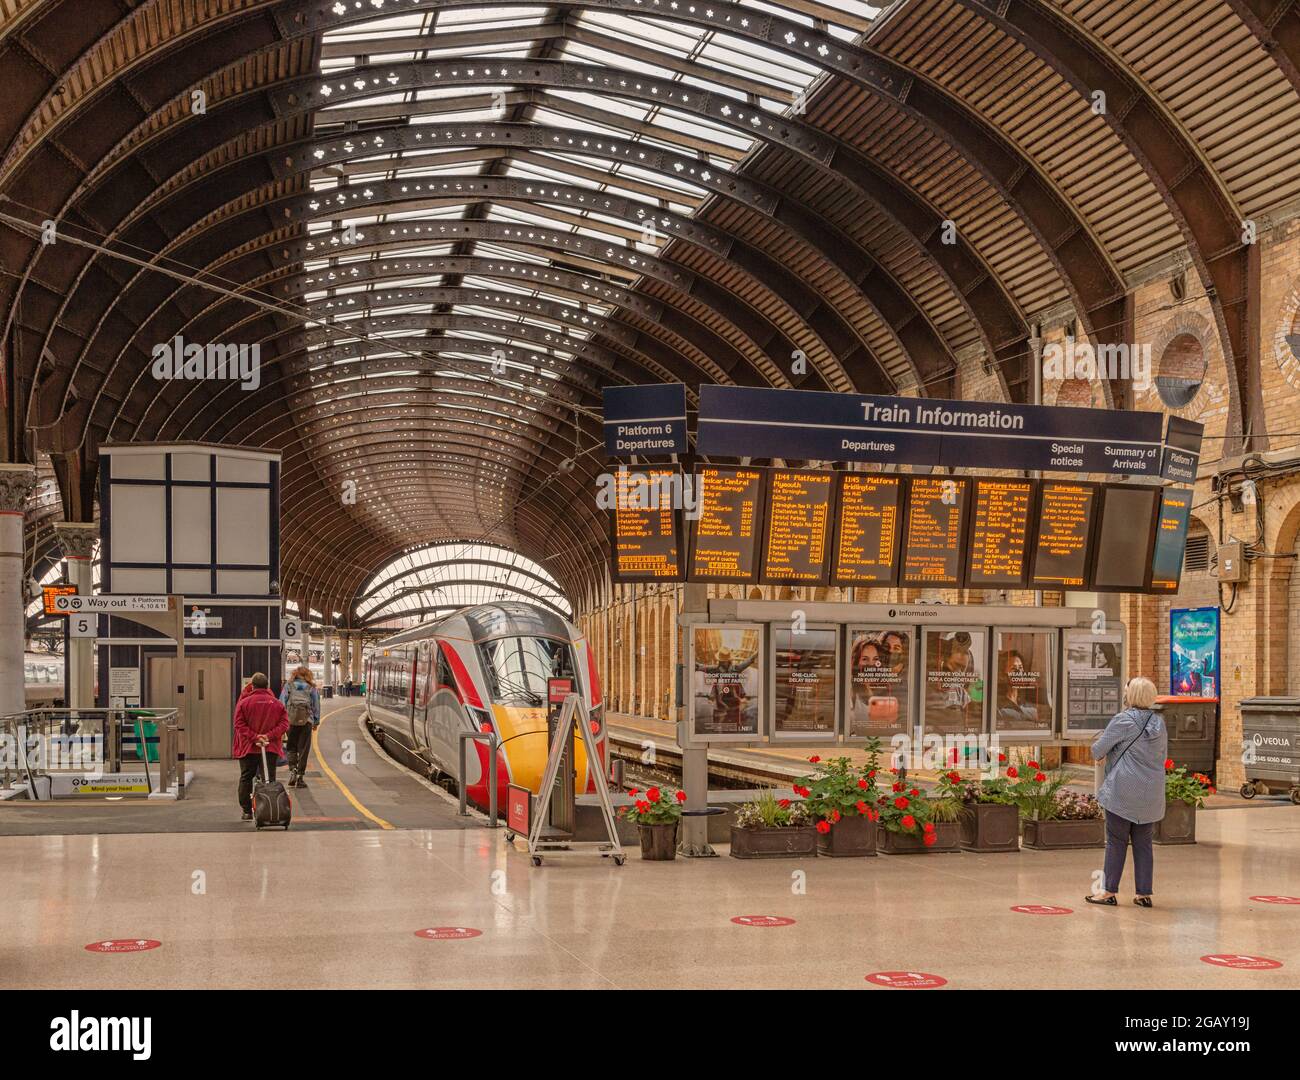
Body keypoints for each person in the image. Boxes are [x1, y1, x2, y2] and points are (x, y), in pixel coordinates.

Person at [1085, 676, 1167, 908]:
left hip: (1123, 791)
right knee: (1143, 843)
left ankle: (1108, 891)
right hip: (1151, 792)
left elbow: (1097, 749)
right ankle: (1143, 894)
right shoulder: (1159, 723)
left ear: (1131, 696)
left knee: (1116, 841)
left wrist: (1106, 754)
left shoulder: (1123, 720)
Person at [232, 672, 289, 821]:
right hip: (269, 747)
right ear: (267, 686)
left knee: (246, 778)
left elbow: (238, 724)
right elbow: (284, 724)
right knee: (268, 779)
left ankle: (246, 811)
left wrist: (254, 737)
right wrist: (268, 736)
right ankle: (268, 808)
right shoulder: (277, 704)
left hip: (248, 748)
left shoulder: (244, 703)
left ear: (252, 686)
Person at [279, 665, 320, 788]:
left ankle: (293, 770)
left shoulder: (288, 686)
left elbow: (281, 703)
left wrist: (282, 720)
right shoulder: (311, 688)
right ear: (307, 675)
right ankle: (300, 777)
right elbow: (316, 706)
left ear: (295, 674)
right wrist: (316, 721)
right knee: (304, 749)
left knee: (291, 747)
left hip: (290, 721)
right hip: (306, 721)